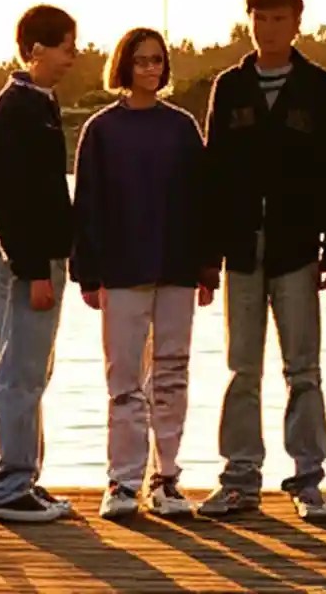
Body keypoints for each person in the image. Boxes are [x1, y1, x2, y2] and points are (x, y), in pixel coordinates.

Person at [197, 0, 326, 520]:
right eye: (259, 19)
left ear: (296, 24)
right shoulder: (230, 86)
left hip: (298, 248)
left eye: (278, 19)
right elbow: (213, 173)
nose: (268, 29)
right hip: (241, 249)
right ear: (249, 22)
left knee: (303, 369)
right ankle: (239, 478)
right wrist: (207, 258)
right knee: (242, 369)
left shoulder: (318, 87)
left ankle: (308, 480)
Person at [70, 27, 216, 519]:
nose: (151, 69)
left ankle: (166, 478)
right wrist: (87, 274)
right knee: (125, 381)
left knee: (172, 373)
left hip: (177, 268)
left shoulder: (182, 127)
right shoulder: (101, 130)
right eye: (141, 61)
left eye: (157, 60)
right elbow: (87, 204)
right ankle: (122, 482)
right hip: (122, 271)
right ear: (124, 66)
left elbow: (202, 199)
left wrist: (207, 268)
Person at [0, 4, 79, 522]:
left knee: (33, 371)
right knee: (20, 373)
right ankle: (9, 486)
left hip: (37, 260)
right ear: (36, 49)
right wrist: (33, 268)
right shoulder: (15, 109)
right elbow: (0, 195)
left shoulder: (40, 103)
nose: (73, 58)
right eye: (66, 48)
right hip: (25, 266)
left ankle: (23, 478)